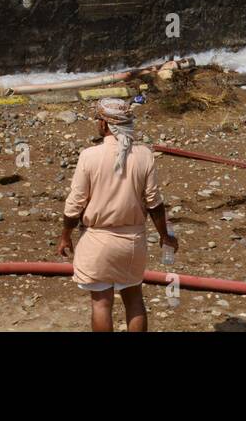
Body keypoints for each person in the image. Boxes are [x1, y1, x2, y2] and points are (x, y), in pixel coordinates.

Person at [58, 98, 176, 332]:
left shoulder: (89, 156)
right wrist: (165, 236)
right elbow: (155, 203)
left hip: (97, 241)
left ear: (104, 125)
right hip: (132, 242)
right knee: (134, 300)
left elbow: (75, 204)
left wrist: (65, 236)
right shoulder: (144, 155)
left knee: (101, 304)